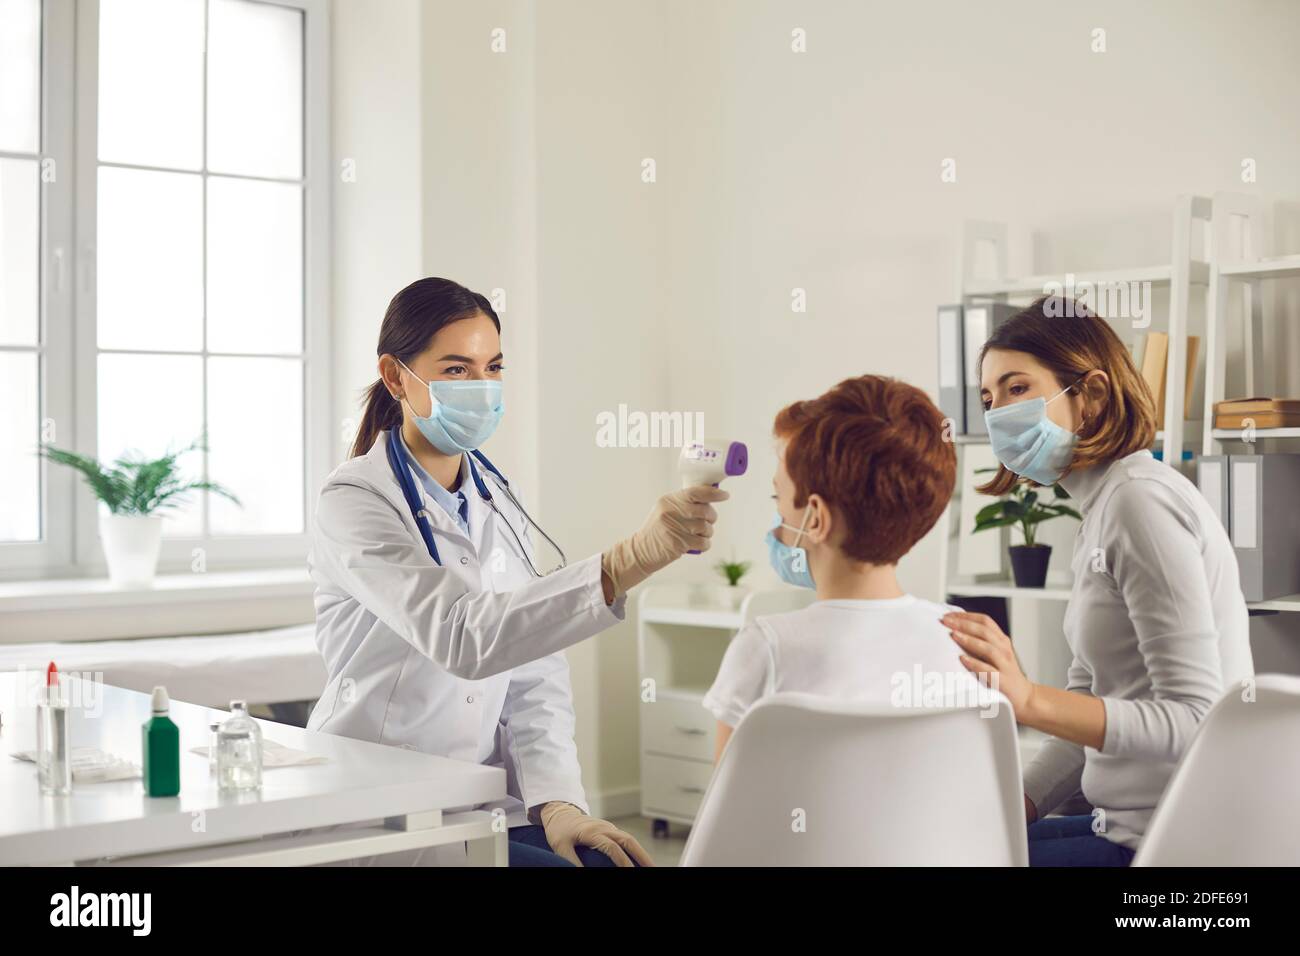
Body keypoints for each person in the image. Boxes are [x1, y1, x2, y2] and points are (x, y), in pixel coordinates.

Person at [307, 277, 728, 866]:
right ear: (396, 376)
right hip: (379, 806)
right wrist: (628, 561)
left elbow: (533, 668)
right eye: (456, 370)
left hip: (478, 801)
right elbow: (462, 636)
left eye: (493, 367)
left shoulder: (498, 496)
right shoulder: (354, 500)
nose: (481, 387)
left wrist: (558, 803)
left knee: (609, 862)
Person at [947, 294, 1255, 866]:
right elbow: (1086, 712)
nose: (997, 415)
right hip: (1126, 828)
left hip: (1175, 847)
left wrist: (1029, 699)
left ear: (1089, 394)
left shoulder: (1140, 503)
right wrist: (1013, 806)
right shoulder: (1104, 509)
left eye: (1017, 389)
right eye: (989, 399)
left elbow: (1197, 718)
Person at [703, 374, 982, 762]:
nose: (777, 516)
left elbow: (727, 798)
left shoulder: (765, 648)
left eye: (777, 496)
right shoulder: (966, 642)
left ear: (816, 518)